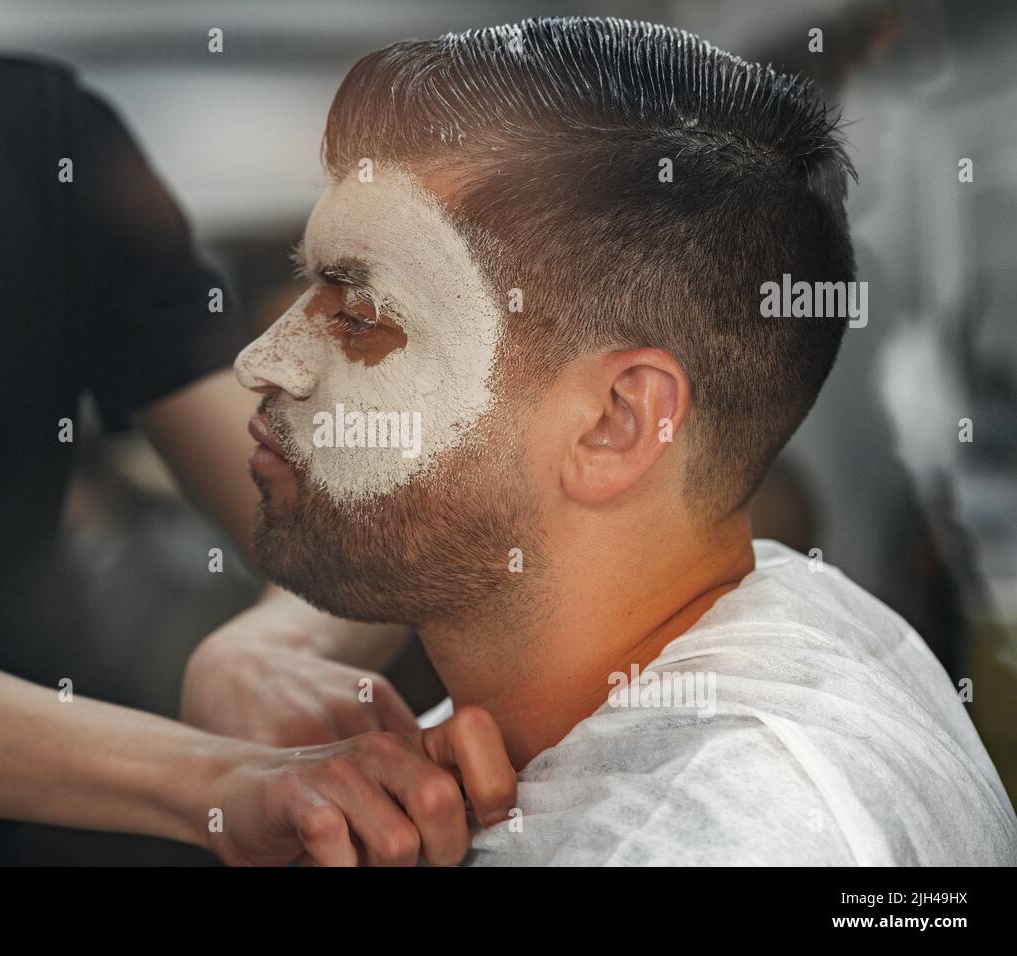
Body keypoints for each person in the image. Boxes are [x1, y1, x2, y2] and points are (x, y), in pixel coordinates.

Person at [0, 0, 517, 866]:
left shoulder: (45, 138)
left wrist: (271, 644)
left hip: (40, 815)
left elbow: (356, 500)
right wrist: (214, 780)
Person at [234, 16, 1017, 865]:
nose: (260, 360)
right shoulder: (793, 621)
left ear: (617, 423)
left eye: (360, 317)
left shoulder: (732, 837)